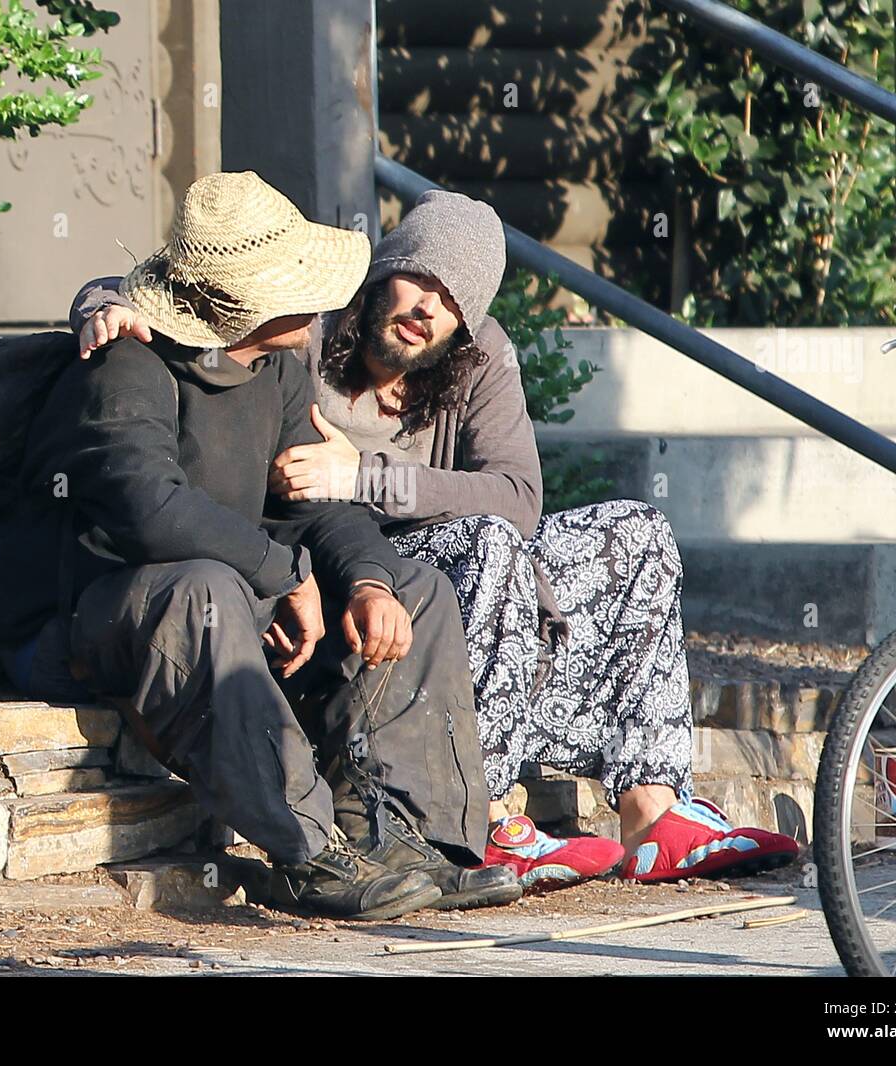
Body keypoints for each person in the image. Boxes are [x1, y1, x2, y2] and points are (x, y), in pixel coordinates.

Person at [70, 189, 799, 888]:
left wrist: (365, 476)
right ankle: (486, 814)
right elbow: (197, 287)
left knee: (637, 531)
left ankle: (652, 814)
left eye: (453, 300)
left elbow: (520, 499)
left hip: (456, 556)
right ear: (385, 272)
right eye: (419, 279)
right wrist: (103, 305)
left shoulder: (482, 359)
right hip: (339, 565)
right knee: (486, 544)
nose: (428, 308)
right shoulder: (310, 321)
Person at [0, 172, 520, 920]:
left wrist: (367, 581)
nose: (324, 302)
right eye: (299, 283)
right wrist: (281, 572)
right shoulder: (128, 364)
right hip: (65, 627)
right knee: (207, 591)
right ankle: (305, 852)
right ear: (253, 305)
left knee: (416, 588)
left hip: (187, 613)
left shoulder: (274, 370)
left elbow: (315, 499)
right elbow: (146, 510)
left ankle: (409, 841)